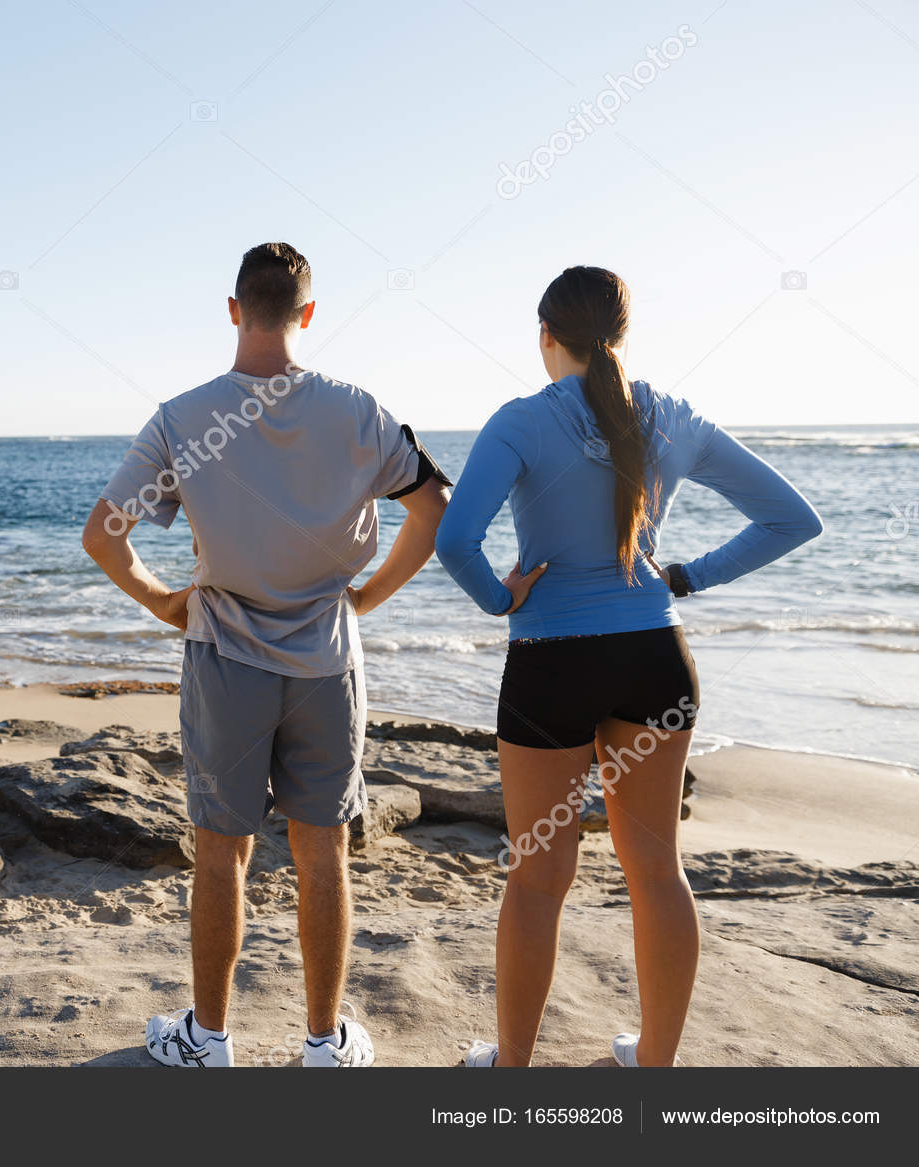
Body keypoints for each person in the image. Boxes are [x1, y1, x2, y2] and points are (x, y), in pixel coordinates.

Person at [435, 265, 822, 1068]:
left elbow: (454, 541)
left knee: (540, 877)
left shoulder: (518, 421)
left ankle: (511, 1071)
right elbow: (793, 518)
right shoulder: (672, 418)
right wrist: (687, 575)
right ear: (621, 334)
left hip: (552, 666)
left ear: (546, 335)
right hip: (656, 658)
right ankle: (654, 1070)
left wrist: (501, 601)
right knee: (657, 872)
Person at [82, 242, 451, 1068]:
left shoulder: (182, 417)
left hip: (226, 661)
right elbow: (434, 508)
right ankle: (323, 1043)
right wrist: (367, 596)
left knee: (223, 851)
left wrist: (165, 601)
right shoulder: (357, 410)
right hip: (326, 659)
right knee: (323, 849)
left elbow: (104, 536)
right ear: (308, 314)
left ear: (234, 308)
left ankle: (209, 1039)